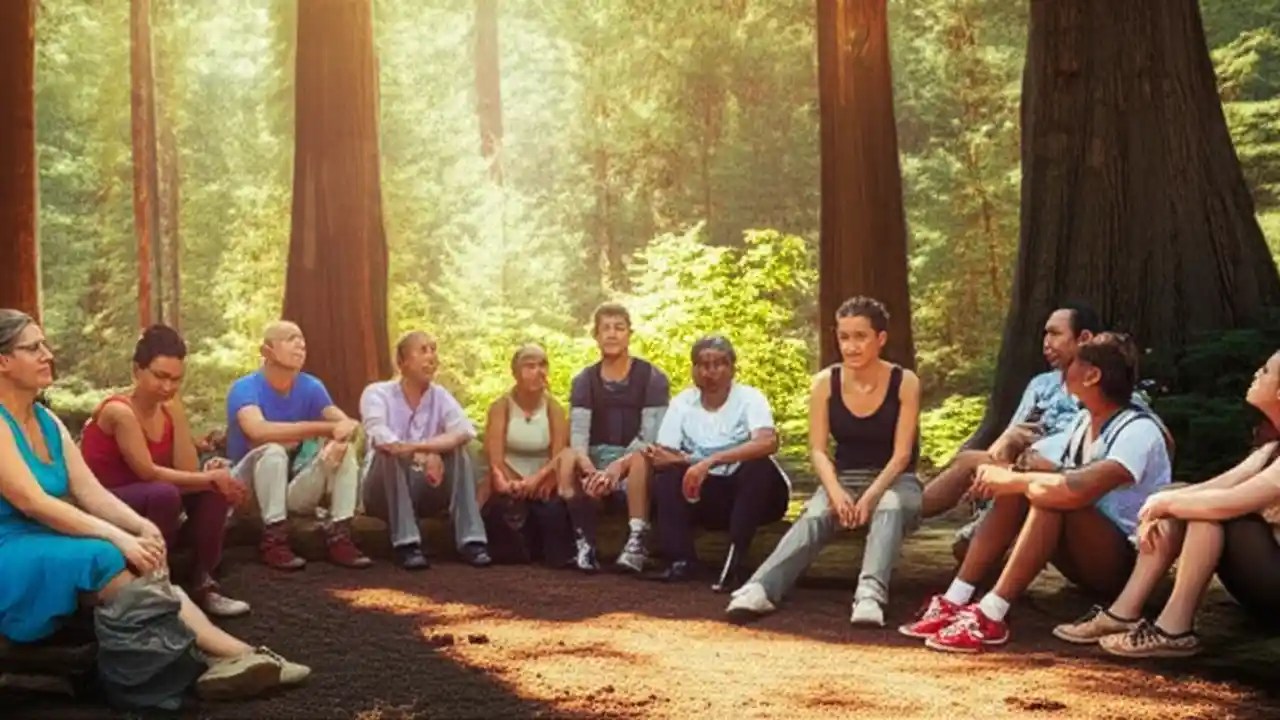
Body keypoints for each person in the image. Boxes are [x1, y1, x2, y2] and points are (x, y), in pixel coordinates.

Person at [0, 309, 308, 702]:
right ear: (3, 361)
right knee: (108, 555)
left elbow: (91, 492)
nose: (47, 354)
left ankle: (236, 656)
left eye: (44, 345)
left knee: (137, 566)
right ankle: (220, 659)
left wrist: (140, 527)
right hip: (10, 548)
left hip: (45, 540)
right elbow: (34, 502)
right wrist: (120, 538)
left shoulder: (46, 420)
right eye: (33, 348)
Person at [902, 333, 1172, 653]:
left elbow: (1078, 490)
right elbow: (1041, 467)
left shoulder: (1138, 430)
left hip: (1125, 565)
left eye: (1072, 364)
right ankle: (955, 598)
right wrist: (1009, 471)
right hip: (1083, 555)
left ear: (1092, 375)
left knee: (1047, 498)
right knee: (1025, 486)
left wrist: (1013, 480)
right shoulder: (1084, 422)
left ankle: (992, 613)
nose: (1062, 373)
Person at [1052, 350, 1280, 658]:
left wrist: (1168, 504)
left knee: (1208, 513)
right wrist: (1163, 500)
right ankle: (1123, 613)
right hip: (1264, 577)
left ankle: (1175, 631)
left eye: (1265, 371)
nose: (1256, 374)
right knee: (1182, 495)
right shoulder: (1270, 451)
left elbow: (1229, 502)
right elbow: (1217, 485)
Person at [728, 297, 921, 626]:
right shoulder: (824, 383)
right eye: (844, 337)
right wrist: (835, 492)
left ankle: (870, 595)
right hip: (843, 478)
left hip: (895, 481)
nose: (851, 346)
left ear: (880, 339)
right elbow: (818, 450)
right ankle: (761, 588)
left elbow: (902, 455)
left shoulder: (905, 382)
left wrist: (869, 498)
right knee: (817, 513)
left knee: (889, 506)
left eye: (860, 336)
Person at [80, 325, 249, 618]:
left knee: (211, 491)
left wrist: (178, 414)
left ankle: (203, 581)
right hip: (107, 501)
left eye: (175, 379)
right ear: (137, 370)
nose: (168, 387)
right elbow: (146, 472)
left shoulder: (168, 409)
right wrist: (208, 477)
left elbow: (187, 469)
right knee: (165, 493)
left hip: (150, 498)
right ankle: (155, 582)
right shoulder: (119, 411)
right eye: (160, 376)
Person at [920, 304, 1104, 549]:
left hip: (1065, 475)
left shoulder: (1101, 388)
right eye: (1045, 335)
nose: (1046, 343)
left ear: (1084, 338)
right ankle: (899, 513)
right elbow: (1011, 437)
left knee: (970, 462)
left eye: (1055, 334)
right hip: (1022, 463)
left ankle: (900, 512)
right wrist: (1003, 450)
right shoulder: (1042, 384)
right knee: (970, 460)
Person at [644, 335, 791, 592]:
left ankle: (736, 559)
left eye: (719, 364)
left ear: (732, 368)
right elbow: (662, 456)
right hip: (706, 495)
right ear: (694, 370)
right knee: (667, 478)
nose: (711, 372)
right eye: (704, 364)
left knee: (758, 466)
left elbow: (767, 442)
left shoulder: (750, 398)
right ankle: (680, 560)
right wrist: (693, 463)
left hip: (756, 496)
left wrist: (710, 461)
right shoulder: (682, 403)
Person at [226, 321, 371, 571]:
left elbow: (346, 423)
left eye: (302, 339)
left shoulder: (311, 387)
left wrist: (340, 438)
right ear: (267, 350)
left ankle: (340, 534)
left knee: (343, 451)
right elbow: (258, 431)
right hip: (246, 492)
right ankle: (273, 540)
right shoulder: (245, 388)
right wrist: (324, 429)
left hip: (289, 490)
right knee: (273, 450)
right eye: (290, 338)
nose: (300, 344)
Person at [360, 331, 491, 570]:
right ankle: (406, 544)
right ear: (401, 362)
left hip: (426, 484)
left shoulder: (440, 396)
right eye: (423, 350)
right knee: (389, 453)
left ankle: (472, 541)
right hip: (382, 491)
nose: (431, 357)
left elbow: (463, 431)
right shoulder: (377, 393)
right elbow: (381, 436)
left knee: (459, 452)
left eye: (433, 350)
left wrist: (429, 450)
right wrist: (418, 453)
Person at [566, 302, 670, 573]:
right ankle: (582, 542)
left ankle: (637, 541)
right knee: (566, 459)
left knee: (641, 458)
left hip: (635, 463)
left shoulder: (652, 377)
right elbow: (578, 435)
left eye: (619, 328)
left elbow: (651, 435)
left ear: (629, 334)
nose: (612, 334)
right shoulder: (584, 380)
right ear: (596, 335)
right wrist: (591, 471)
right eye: (606, 328)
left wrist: (618, 467)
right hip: (595, 462)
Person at [480, 344, 576, 568]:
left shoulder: (554, 409)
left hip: (543, 480)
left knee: (554, 511)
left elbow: (558, 456)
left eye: (542, 365)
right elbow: (495, 458)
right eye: (530, 366)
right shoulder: (501, 407)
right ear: (515, 373)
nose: (538, 371)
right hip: (508, 479)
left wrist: (541, 481)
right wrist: (515, 483)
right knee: (502, 509)